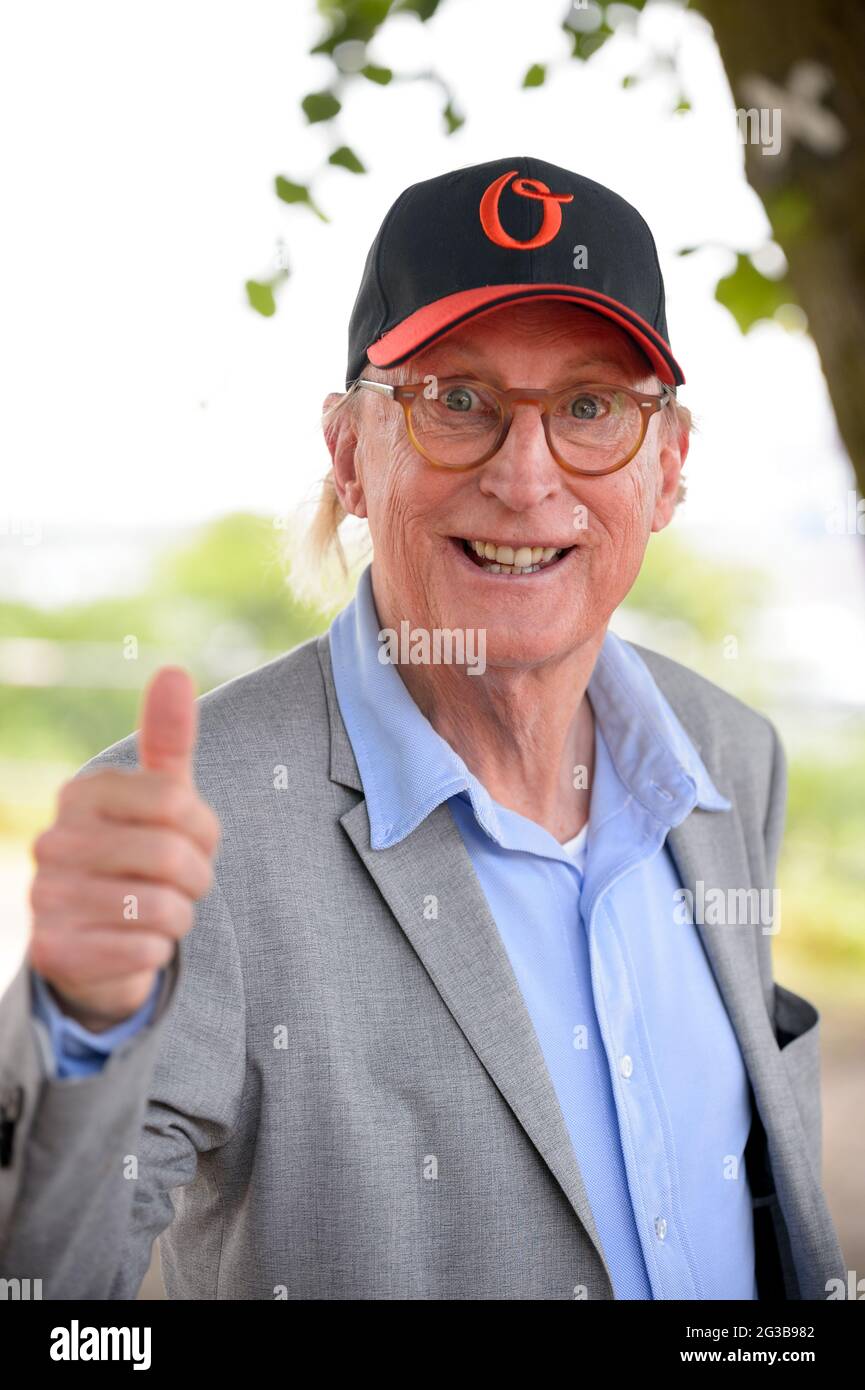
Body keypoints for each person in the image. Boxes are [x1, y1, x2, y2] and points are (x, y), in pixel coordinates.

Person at [0, 157, 845, 1300]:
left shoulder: (732, 755)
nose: (524, 475)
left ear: (667, 468)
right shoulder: (193, 827)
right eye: (456, 401)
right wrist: (73, 1034)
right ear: (351, 453)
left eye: (590, 407)